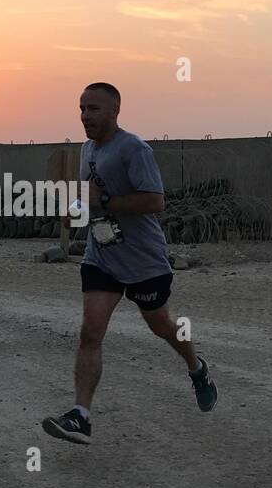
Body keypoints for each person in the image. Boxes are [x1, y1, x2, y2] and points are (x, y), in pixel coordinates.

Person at [41, 82, 217, 444]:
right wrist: (73, 211)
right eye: (81, 108)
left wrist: (103, 198)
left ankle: (197, 368)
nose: (85, 115)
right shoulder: (87, 148)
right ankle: (81, 415)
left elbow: (155, 202)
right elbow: (88, 199)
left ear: (114, 112)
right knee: (90, 332)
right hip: (101, 257)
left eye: (93, 109)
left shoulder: (134, 149)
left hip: (143, 261)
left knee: (163, 327)